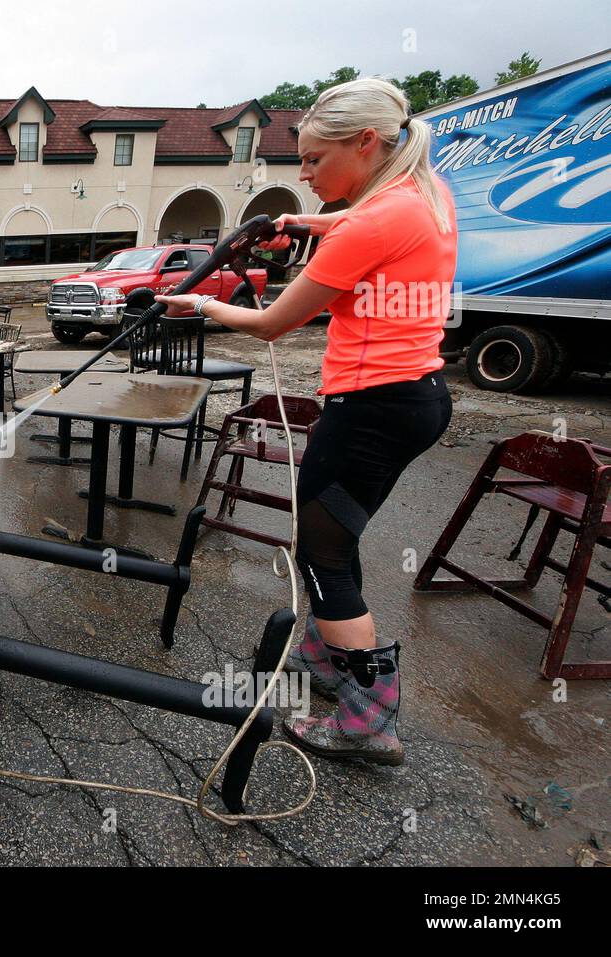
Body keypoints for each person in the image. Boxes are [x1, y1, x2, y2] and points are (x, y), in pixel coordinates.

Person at [156, 77, 457, 766]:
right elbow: (363, 226)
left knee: (321, 554)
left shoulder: (377, 220)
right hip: (416, 398)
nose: (305, 172)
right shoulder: (423, 198)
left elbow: (271, 324)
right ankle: (328, 658)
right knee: (327, 536)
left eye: (317, 160)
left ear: (365, 143)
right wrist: (310, 220)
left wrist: (200, 306)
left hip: (371, 408)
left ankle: (368, 717)